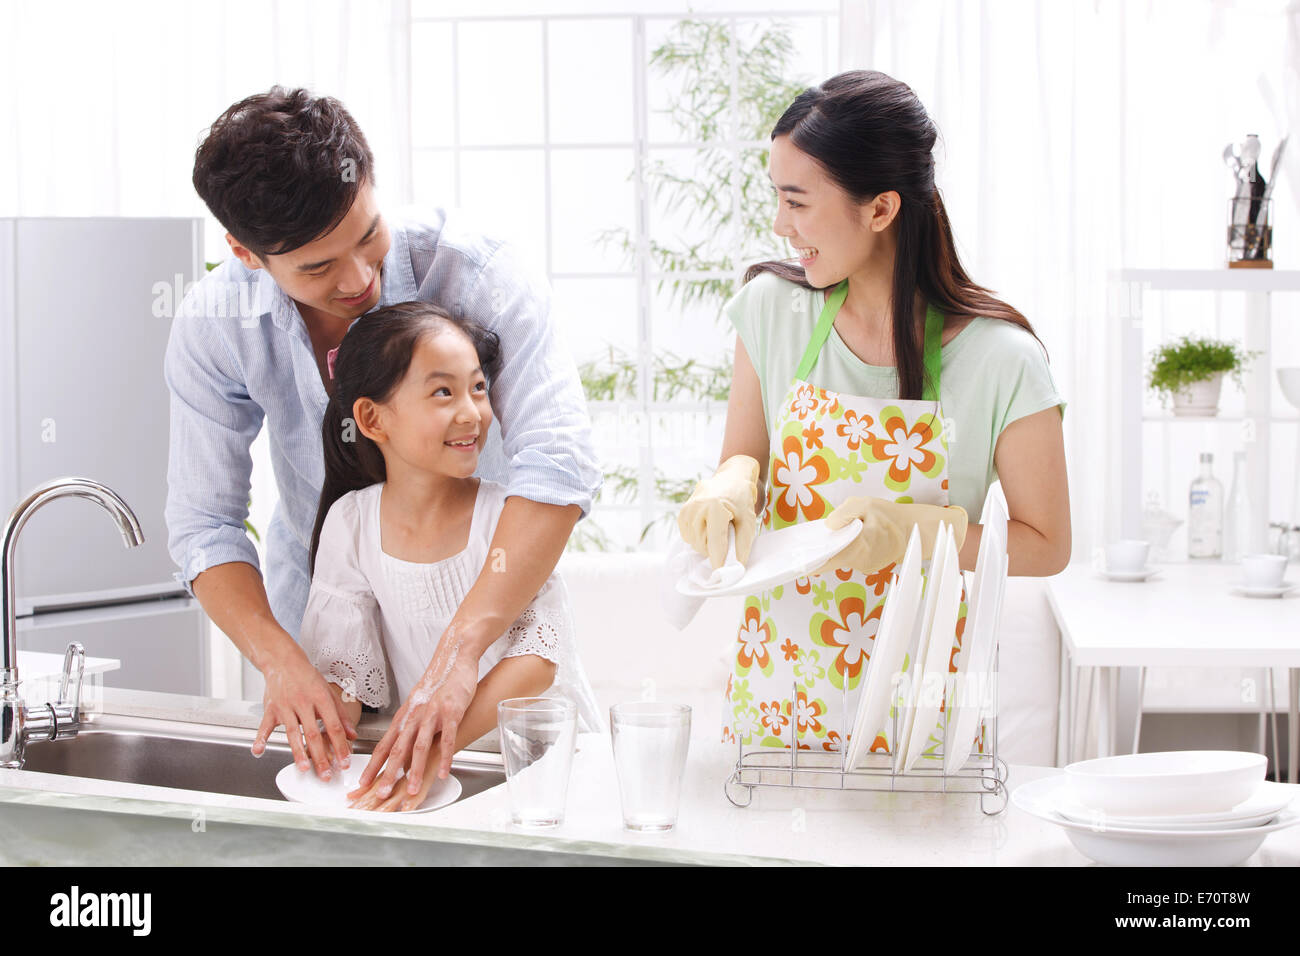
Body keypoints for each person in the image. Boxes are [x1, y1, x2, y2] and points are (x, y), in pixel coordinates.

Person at [164, 87, 601, 785]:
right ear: (246, 253)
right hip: (323, 655)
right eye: (317, 267)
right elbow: (204, 526)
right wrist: (283, 662)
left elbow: (557, 464)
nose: (360, 279)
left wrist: (459, 655)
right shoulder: (217, 323)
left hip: (487, 642)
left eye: (368, 235)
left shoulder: (474, 268)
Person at [676, 70, 1070, 755]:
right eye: (778, 198)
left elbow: (1047, 544)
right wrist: (731, 484)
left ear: (881, 208)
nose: (779, 225)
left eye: (797, 201)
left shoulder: (1004, 359)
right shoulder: (771, 311)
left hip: (925, 714)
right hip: (778, 698)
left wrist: (919, 532)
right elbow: (748, 460)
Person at [298, 301, 600, 811]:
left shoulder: (509, 516)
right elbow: (345, 666)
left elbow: (538, 661)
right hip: (441, 771)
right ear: (372, 418)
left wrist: (433, 748)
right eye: (444, 391)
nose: (472, 412)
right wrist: (328, 725)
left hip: (547, 767)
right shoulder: (351, 523)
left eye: (478, 388)